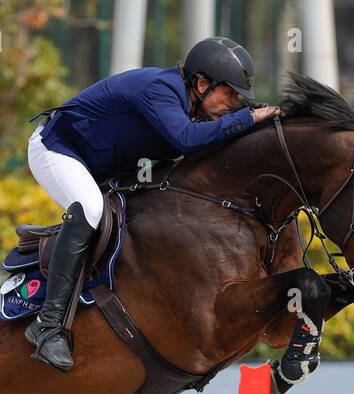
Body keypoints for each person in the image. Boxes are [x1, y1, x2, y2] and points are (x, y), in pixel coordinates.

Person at [24, 36, 282, 371]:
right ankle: (48, 325)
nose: (234, 103)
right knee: (90, 208)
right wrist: (249, 119)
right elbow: (187, 140)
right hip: (57, 150)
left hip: (104, 166)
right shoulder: (159, 90)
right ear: (202, 84)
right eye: (230, 93)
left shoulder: (193, 103)